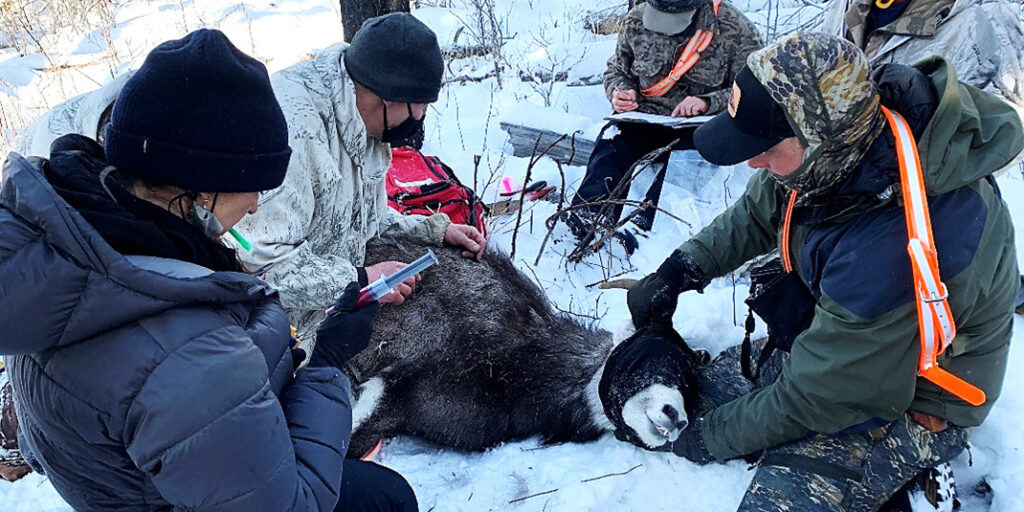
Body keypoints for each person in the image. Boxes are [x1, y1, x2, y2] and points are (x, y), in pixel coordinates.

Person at [0, 29, 416, 511]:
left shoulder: (58, 254)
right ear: (202, 189)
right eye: (254, 184)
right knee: (389, 499)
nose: (256, 205)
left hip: (145, 483)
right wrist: (326, 364)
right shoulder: (190, 352)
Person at [624, 32, 1021, 510]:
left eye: (765, 147)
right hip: (848, 345)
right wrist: (680, 270)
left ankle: (917, 467)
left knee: (766, 485)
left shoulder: (892, 240)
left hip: (919, 392)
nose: (752, 160)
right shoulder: (836, 149)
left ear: (822, 143)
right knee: (688, 397)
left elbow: (818, 398)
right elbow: (758, 211)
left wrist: (707, 439)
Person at [230, 12, 486, 340]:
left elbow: (362, 219)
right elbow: (264, 267)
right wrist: (362, 280)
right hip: (259, 334)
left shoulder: (364, 122)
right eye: (421, 106)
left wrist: (434, 231)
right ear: (390, 98)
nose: (421, 117)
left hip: (317, 318)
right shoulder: (294, 130)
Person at [566, 0, 761, 247]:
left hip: (698, 127)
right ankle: (589, 215)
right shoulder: (636, 20)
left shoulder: (735, 28)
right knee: (612, 138)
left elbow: (752, 88)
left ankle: (644, 229)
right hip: (645, 118)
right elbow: (617, 70)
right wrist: (619, 92)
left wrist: (708, 102)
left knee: (691, 158)